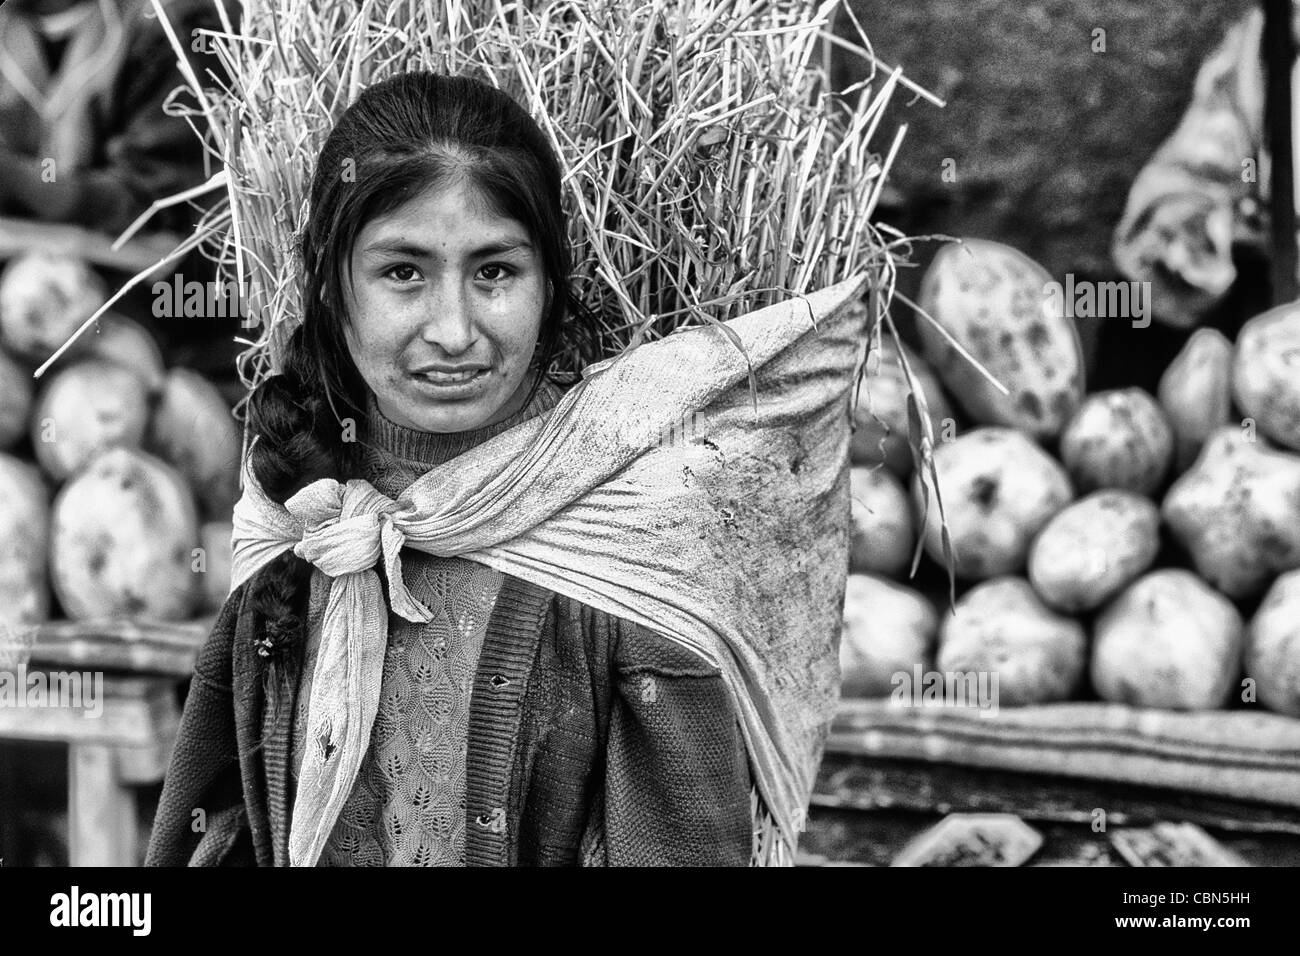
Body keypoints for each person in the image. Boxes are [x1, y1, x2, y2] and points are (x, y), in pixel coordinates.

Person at [145, 72, 757, 867]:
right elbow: (218, 829)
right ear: (334, 290)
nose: (454, 329)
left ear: (549, 285)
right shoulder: (299, 511)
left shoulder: (628, 535)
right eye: (403, 272)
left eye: (495, 271)